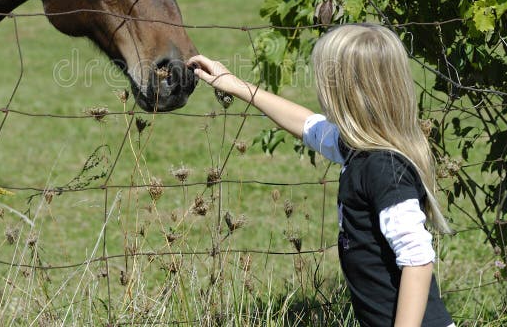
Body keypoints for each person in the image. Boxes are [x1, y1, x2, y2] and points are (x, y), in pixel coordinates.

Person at [187, 23, 454, 327]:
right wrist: (235, 84)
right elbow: (308, 126)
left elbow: (418, 260)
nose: (319, 89)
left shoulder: (384, 169)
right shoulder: (360, 150)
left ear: (347, 93)